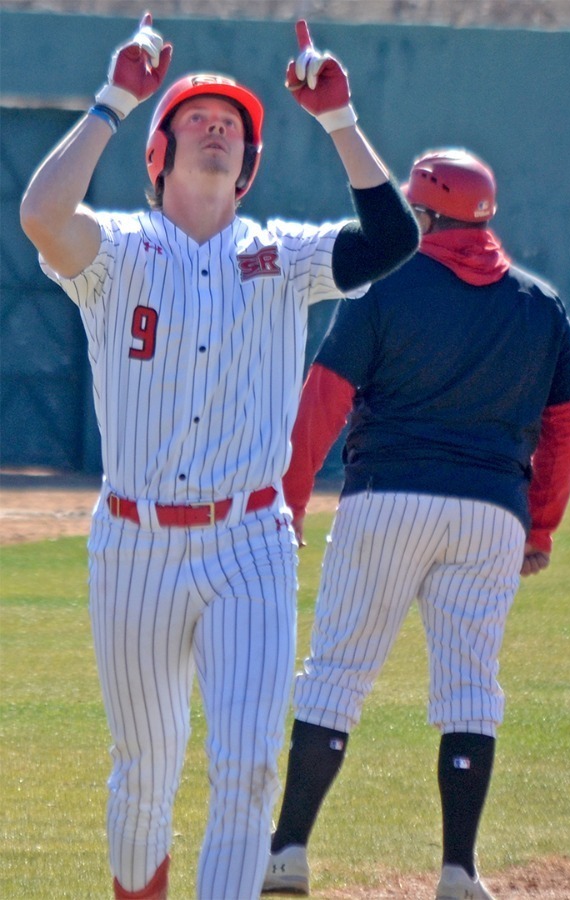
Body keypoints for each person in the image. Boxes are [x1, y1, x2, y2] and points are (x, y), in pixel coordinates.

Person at [17, 15, 416, 899]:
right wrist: (117, 98)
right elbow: (42, 214)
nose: (215, 124)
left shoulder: (281, 254)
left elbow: (393, 242)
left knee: (247, 770)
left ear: (249, 168)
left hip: (249, 543)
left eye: (231, 122)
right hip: (135, 544)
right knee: (144, 775)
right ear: (156, 156)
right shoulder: (115, 252)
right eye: (194, 115)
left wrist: (341, 121)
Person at [259, 149, 570, 899]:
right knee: (471, 690)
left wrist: (293, 498)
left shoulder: (386, 283)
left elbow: (325, 397)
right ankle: (459, 871)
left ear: (424, 214)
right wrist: (538, 529)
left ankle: (287, 853)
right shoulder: (539, 303)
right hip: (490, 518)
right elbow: (568, 425)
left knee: (336, 678)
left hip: (388, 500)